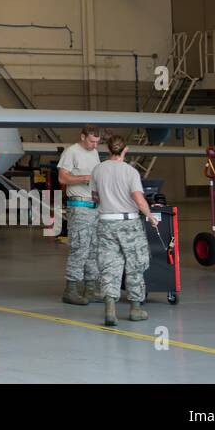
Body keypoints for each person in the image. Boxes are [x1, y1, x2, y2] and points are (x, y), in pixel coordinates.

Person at [91, 135, 158, 326]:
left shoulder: (98, 170)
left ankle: (110, 309)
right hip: (128, 223)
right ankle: (135, 308)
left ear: (108, 149)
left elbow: (95, 197)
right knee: (135, 264)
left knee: (109, 266)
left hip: (105, 223)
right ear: (125, 150)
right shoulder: (130, 172)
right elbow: (138, 199)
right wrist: (150, 216)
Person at [57, 124, 102, 305]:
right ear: (83, 136)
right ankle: (71, 289)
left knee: (93, 249)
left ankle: (91, 288)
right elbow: (62, 178)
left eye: (97, 142)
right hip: (79, 205)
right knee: (80, 247)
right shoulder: (71, 152)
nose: (94, 146)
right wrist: (85, 178)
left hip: (94, 205)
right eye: (92, 141)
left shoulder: (94, 153)